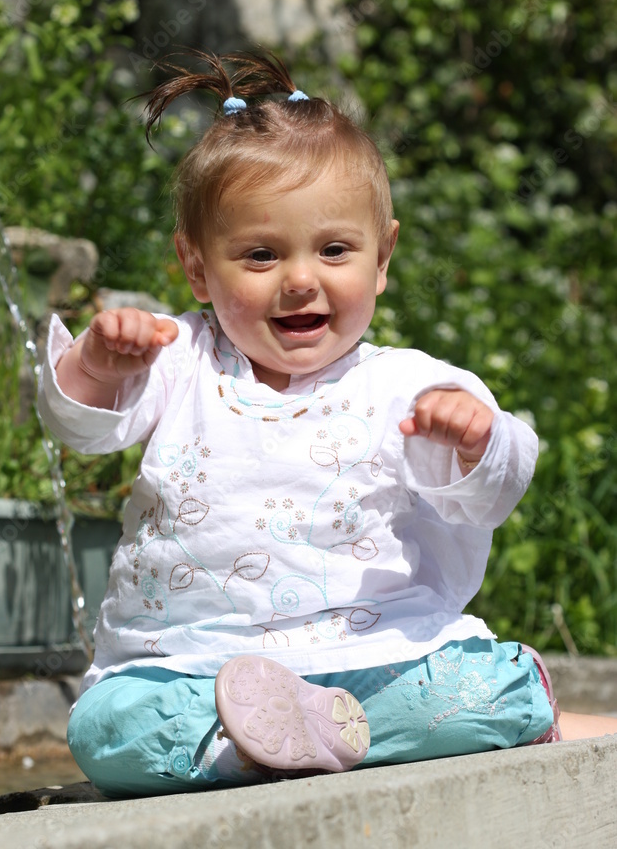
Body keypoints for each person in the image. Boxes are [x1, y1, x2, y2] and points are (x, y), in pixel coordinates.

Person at [38, 51, 616, 797]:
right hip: (190, 665)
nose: (300, 279)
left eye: (334, 250)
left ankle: (278, 744)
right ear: (196, 268)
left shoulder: (407, 385)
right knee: (106, 727)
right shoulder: (177, 357)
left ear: (382, 259)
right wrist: (100, 365)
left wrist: (476, 442)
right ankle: (263, 737)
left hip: (375, 655)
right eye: (259, 255)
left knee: (479, 690)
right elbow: (79, 425)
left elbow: (486, 497)